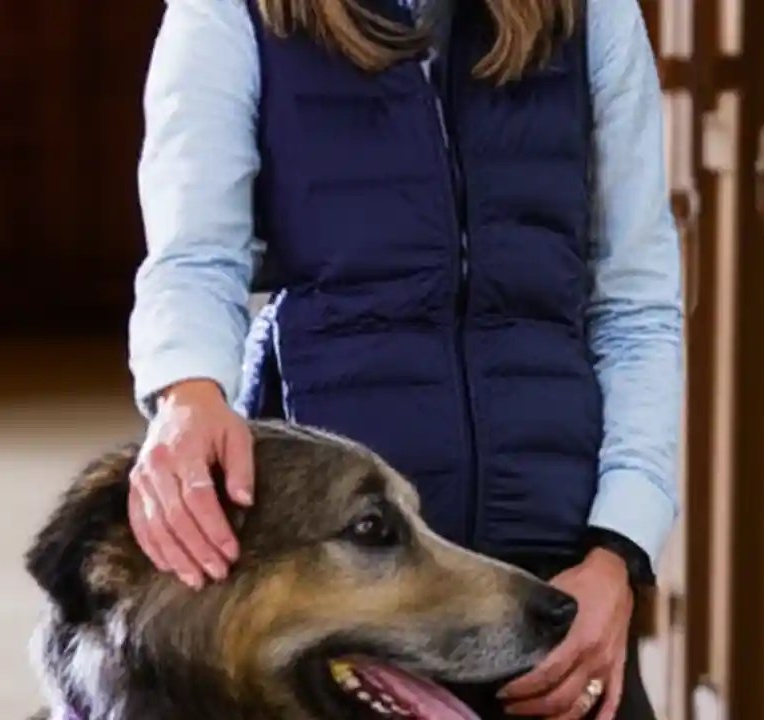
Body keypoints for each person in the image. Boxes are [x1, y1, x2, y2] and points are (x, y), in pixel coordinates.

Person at [127, 0, 683, 717]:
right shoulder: (232, 11)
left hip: (552, 580)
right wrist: (187, 392)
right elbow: (195, 257)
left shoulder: (591, 13)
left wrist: (617, 556)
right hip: (346, 591)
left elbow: (636, 308)